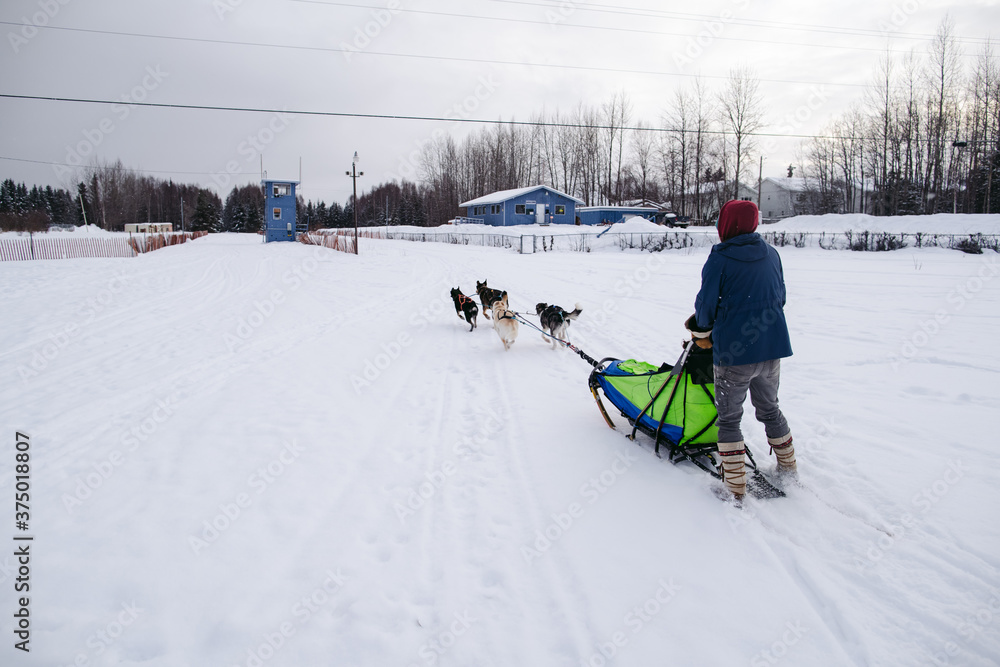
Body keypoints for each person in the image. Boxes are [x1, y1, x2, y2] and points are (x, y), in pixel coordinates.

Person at [691, 200, 795, 502]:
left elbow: (706, 306)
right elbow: (781, 297)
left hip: (735, 354)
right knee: (770, 409)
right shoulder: (772, 254)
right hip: (772, 348)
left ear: (726, 224)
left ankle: (735, 486)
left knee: (729, 419)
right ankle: (788, 468)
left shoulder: (720, 259)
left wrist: (701, 331)